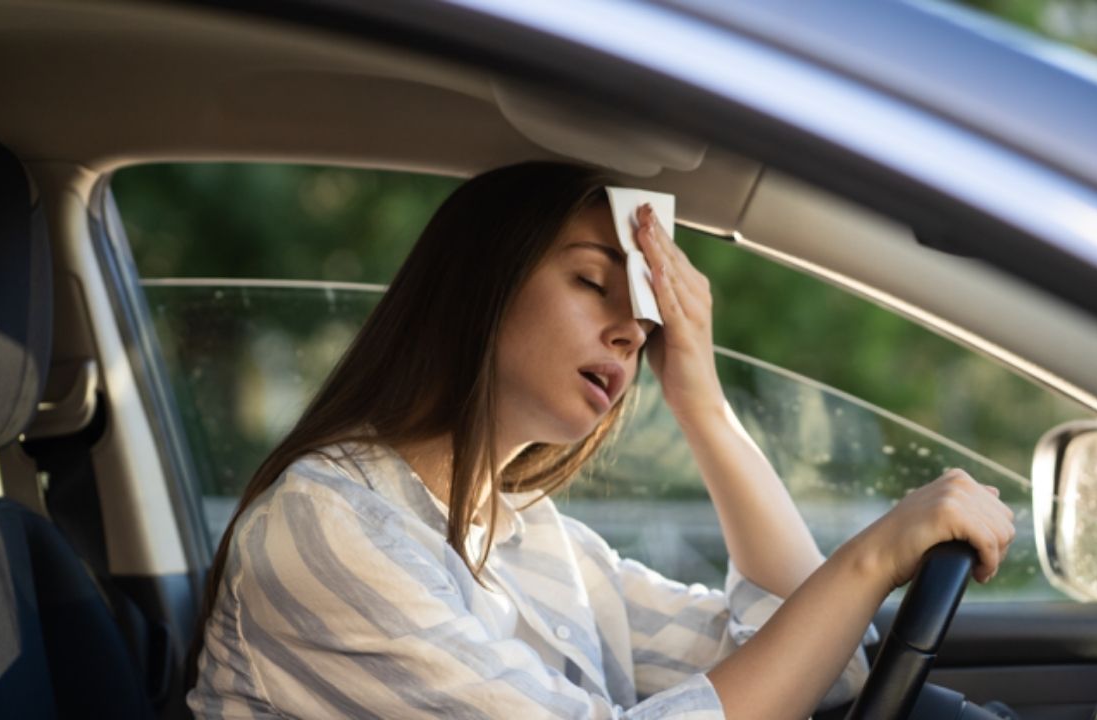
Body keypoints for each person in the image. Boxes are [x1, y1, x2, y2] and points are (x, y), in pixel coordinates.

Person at [186, 162, 1015, 719]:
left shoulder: (537, 542)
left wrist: (701, 402)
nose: (631, 332)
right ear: (481, 285)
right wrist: (873, 558)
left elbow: (824, 668)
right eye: (590, 281)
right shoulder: (324, 526)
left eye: (644, 314)